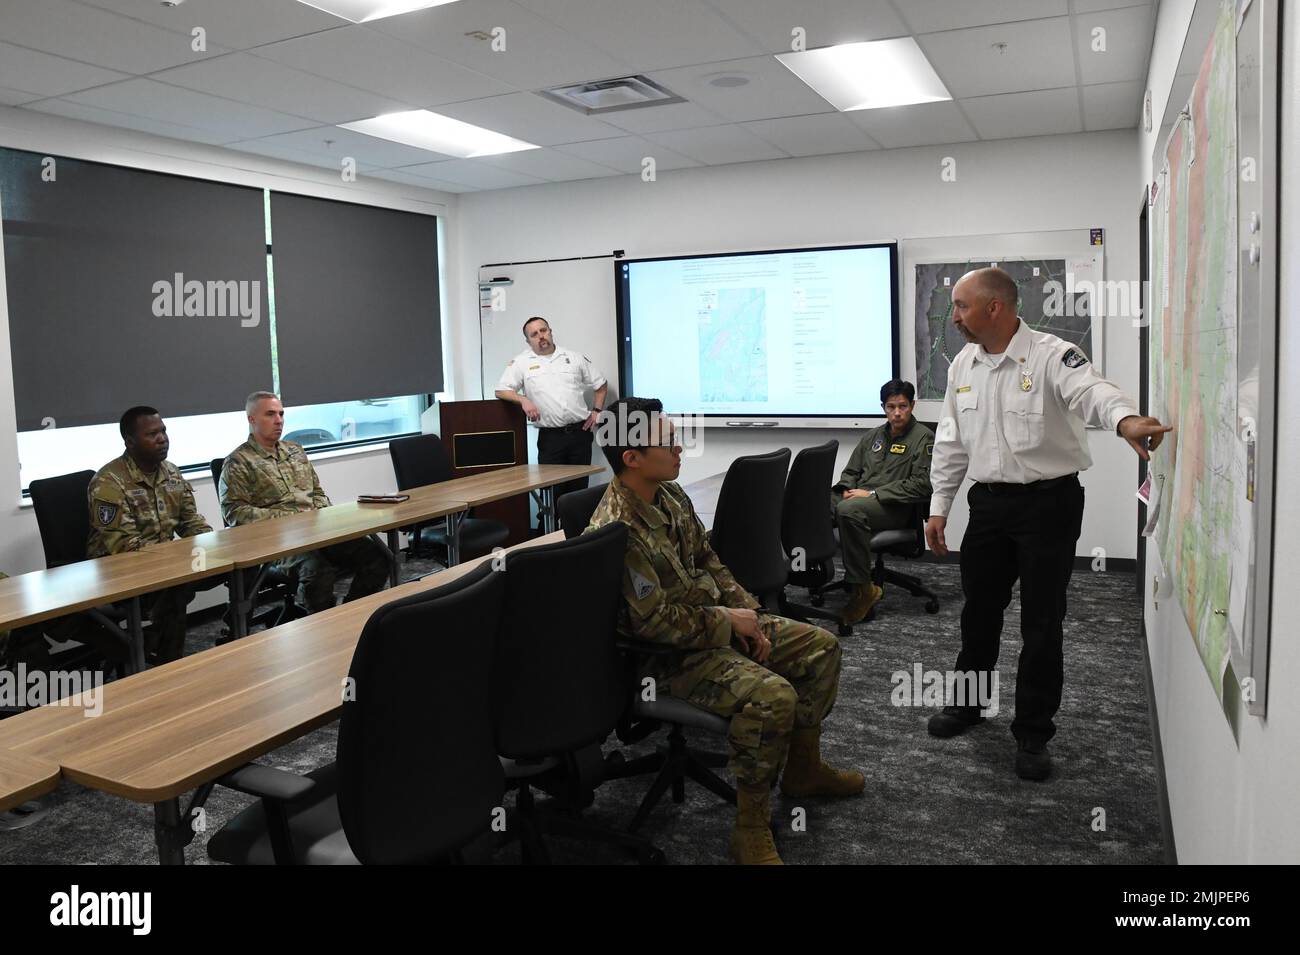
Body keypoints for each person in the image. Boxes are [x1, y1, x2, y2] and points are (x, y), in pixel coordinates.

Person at [587, 397, 863, 865]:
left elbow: (708, 560)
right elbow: (652, 623)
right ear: (631, 459)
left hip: (709, 623)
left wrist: (747, 613)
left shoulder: (668, 494)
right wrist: (727, 622)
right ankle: (750, 827)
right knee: (773, 696)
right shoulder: (618, 528)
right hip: (661, 657)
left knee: (821, 648)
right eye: (668, 442)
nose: (679, 449)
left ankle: (803, 769)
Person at [925, 268, 1171, 780]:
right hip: (989, 507)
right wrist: (939, 506)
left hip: (1048, 506)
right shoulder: (961, 366)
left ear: (995, 307)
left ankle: (1033, 733)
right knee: (979, 613)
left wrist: (1125, 420)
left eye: (962, 306)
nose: (954, 317)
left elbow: (1093, 391)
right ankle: (969, 705)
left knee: (1041, 624)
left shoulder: (1053, 354)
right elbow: (950, 440)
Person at [219, 391, 391, 614]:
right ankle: (320, 631)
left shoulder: (295, 451)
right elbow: (235, 513)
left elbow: (318, 493)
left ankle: (350, 616)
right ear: (252, 419)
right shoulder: (238, 462)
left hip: (317, 531)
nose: (279, 420)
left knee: (377, 556)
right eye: (270, 414)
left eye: (281, 414)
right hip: (278, 542)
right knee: (318, 572)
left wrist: (319, 515)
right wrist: (291, 519)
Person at [87, 406, 214, 662]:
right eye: (152, 434)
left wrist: (212, 546)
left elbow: (191, 524)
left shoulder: (172, 473)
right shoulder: (109, 483)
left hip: (164, 567)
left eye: (164, 431)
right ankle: (165, 663)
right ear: (130, 442)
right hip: (117, 573)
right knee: (176, 587)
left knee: (233, 567)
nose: (162, 438)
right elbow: (125, 547)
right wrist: (179, 560)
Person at [832, 379, 934, 625]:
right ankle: (811, 575)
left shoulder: (924, 438)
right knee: (811, 501)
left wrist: (874, 495)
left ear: (912, 405)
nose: (897, 413)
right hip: (860, 500)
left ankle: (862, 588)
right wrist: (846, 489)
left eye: (903, 406)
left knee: (848, 510)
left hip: (893, 507)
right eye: (891, 407)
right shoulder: (872, 436)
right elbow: (851, 472)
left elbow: (922, 484)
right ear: (883, 407)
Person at [495, 317, 608, 517]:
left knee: (579, 494)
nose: (541, 336)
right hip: (551, 439)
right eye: (534, 334)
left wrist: (597, 411)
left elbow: (601, 385)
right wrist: (523, 400)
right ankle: (548, 539)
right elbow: (501, 391)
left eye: (543, 330)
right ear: (528, 341)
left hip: (579, 435)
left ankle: (578, 541)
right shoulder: (521, 362)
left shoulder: (574, 357)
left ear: (550, 331)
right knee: (552, 495)